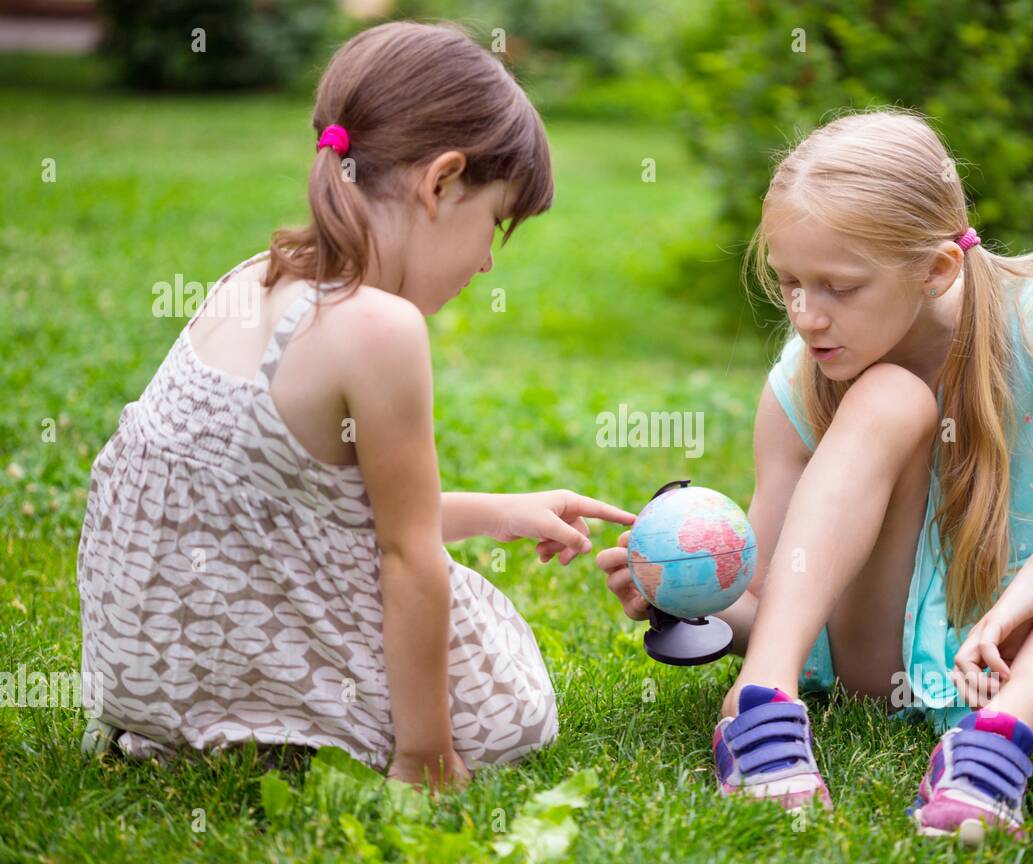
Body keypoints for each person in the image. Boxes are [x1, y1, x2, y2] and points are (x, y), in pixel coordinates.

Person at [598, 108, 1033, 838]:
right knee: (890, 396)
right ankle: (760, 705)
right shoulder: (800, 382)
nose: (806, 316)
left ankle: (995, 743)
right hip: (877, 659)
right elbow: (772, 589)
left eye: (839, 287)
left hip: (1024, 661)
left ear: (936, 270)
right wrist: (688, 593)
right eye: (789, 282)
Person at [78, 21, 635, 792]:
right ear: (441, 182)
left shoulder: (256, 276)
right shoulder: (381, 329)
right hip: (230, 641)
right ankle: (305, 728)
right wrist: (427, 755)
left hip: (149, 669)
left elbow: (300, 515)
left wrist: (504, 509)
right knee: (516, 702)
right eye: (493, 224)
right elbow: (406, 558)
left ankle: (225, 728)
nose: (484, 260)